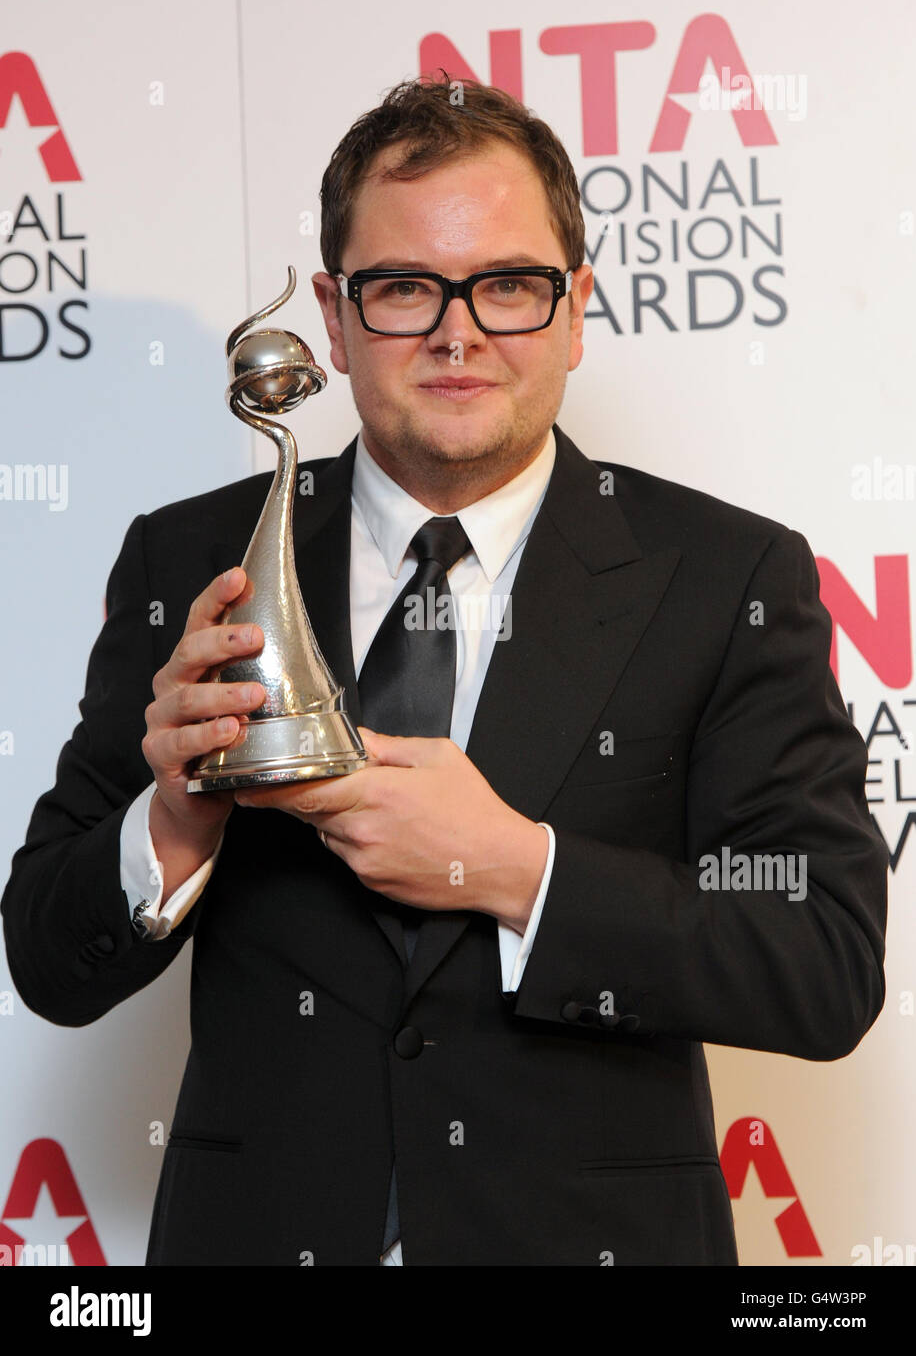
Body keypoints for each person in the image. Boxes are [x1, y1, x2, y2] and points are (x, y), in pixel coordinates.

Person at [1, 76, 888, 1266]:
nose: (456, 330)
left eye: (509, 285)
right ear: (333, 313)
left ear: (574, 308)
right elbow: (47, 961)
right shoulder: (196, 559)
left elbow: (820, 957)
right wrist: (172, 821)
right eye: (404, 286)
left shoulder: (725, 577)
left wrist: (521, 871)